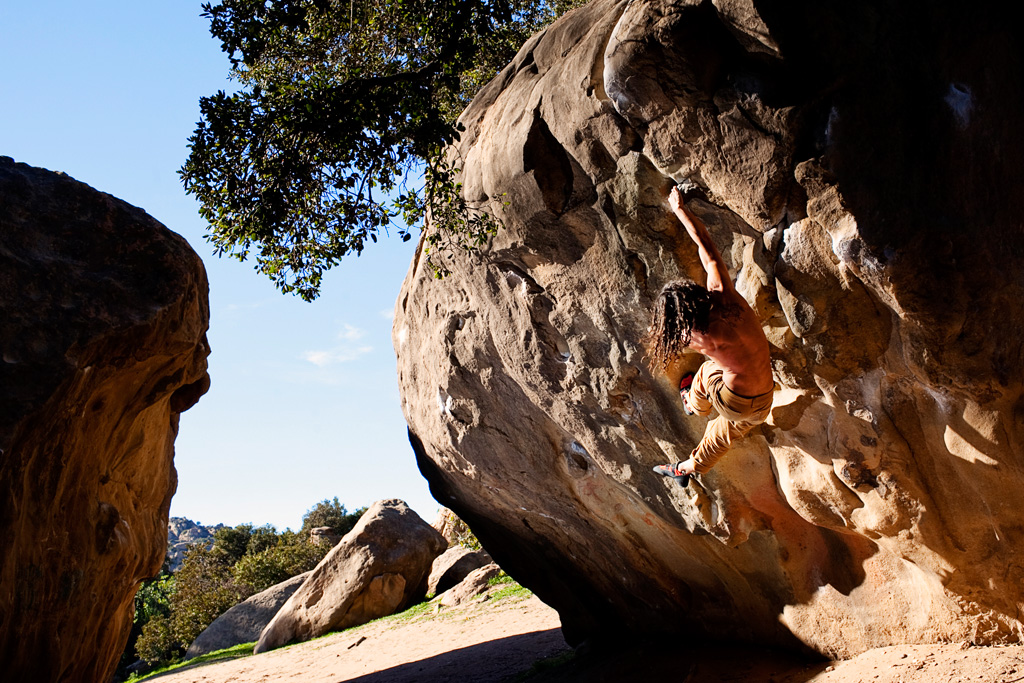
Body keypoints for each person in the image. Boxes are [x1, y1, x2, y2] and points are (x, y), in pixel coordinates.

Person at [648, 185, 775, 486]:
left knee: (706, 372)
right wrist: (680, 209)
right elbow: (706, 248)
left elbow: (671, 339)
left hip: (737, 401)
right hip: (765, 394)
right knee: (727, 431)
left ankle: (693, 405)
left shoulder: (699, 337)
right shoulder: (724, 293)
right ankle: (688, 466)